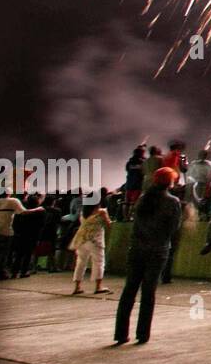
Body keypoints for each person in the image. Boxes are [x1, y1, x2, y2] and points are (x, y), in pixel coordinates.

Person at [114, 167, 182, 345]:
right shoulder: (173, 202)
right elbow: (173, 228)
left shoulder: (143, 199)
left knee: (129, 290)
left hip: (137, 248)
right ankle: (142, 333)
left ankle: (120, 333)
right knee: (148, 293)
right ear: (170, 182)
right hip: (158, 250)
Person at [70, 203, 112, 295]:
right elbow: (109, 224)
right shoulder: (101, 213)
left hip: (82, 239)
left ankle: (77, 287)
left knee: (80, 263)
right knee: (98, 262)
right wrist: (106, 216)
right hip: (95, 240)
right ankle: (98, 286)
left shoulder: (83, 213)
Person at [0, 191, 41, 279]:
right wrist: (38, 209)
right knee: (5, 253)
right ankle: (1, 272)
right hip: (6, 230)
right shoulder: (13, 201)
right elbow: (24, 212)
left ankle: (4, 271)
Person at [187, 149, 211, 216]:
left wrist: (208, 182)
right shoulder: (194, 163)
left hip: (203, 184)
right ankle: (194, 213)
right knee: (195, 199)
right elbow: (190, 173)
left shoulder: (209, 165)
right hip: (196, 183)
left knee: (201, 199)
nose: (203, 156)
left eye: (204, 155)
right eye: (202, 155)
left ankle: (198, 213)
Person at [123, 147, 145, 219]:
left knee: (127, 202)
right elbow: (143, 172)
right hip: (137, 184)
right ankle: (131, 216)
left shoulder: (129, 162)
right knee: (134, 202)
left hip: (129, 184)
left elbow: (127, 170)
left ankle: (126, 217)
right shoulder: (142, 162)